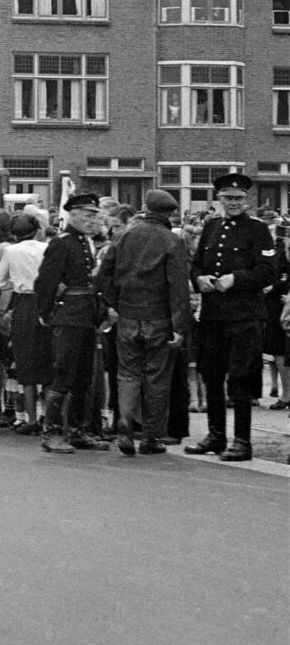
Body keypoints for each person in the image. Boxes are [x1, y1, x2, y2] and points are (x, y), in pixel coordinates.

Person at [184, 173, 277, 461]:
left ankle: (242, 441)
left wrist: (235, 279)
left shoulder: (258, 230)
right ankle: (215, 435)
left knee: (240, 378)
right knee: (211, 375)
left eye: (238, 198)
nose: (233, 203)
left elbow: (268, 271)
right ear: (218, 199)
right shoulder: (211, 227)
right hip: (213, 315)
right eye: (227, 198)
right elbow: (196, 265)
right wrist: (200, 279)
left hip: (244, 316)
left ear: (246, 200)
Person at [94, 189, 191, 456]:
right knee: (157, 378)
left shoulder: (123, 236)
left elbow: (103, 277)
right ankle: (151, 436)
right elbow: (178, 288)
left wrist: (116, 303)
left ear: (146, 209)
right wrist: (179, 326)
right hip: (159, 318)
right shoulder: (173, 241)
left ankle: (125, 419)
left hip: (127, 316)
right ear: (169, 213)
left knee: (127, 373)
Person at [34, 192, 108, 454]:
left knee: (83, 377)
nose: (92, 220)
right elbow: (45, 282)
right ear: (72, 215)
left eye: (94, 216)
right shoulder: (61, 243)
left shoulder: (85, 243)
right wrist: (47, 314)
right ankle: (51, 432)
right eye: (88, 215)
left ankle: (77, 430)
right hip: (68, 317)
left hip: (86, 316)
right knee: (63, 375)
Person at [0, 213, 51, 433]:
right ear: (36, 230)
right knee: (47, 361)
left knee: (25, 362)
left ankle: (31, 419)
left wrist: (15, 282)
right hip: (45, 302)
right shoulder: (46, 248)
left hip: (23, 303)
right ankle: (48, 416)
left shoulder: (10, 251)